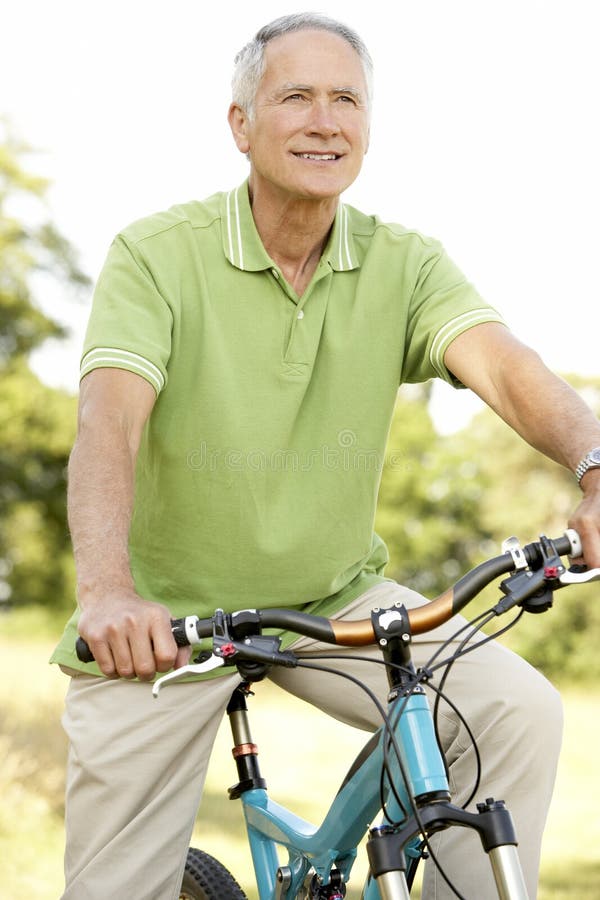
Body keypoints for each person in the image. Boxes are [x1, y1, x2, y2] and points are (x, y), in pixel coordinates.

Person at [51, 12, 600, 899]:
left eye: (347, 99)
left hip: (333, 596)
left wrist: (596, 464)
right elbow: (108, 423)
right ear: (241, 123)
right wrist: (110, 590)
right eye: (295, 96)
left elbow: (504, 366)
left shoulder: (405, 264)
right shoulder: (156, 256)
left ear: (368, 127)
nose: (325, 120)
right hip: (166, 623)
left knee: (515, 708)